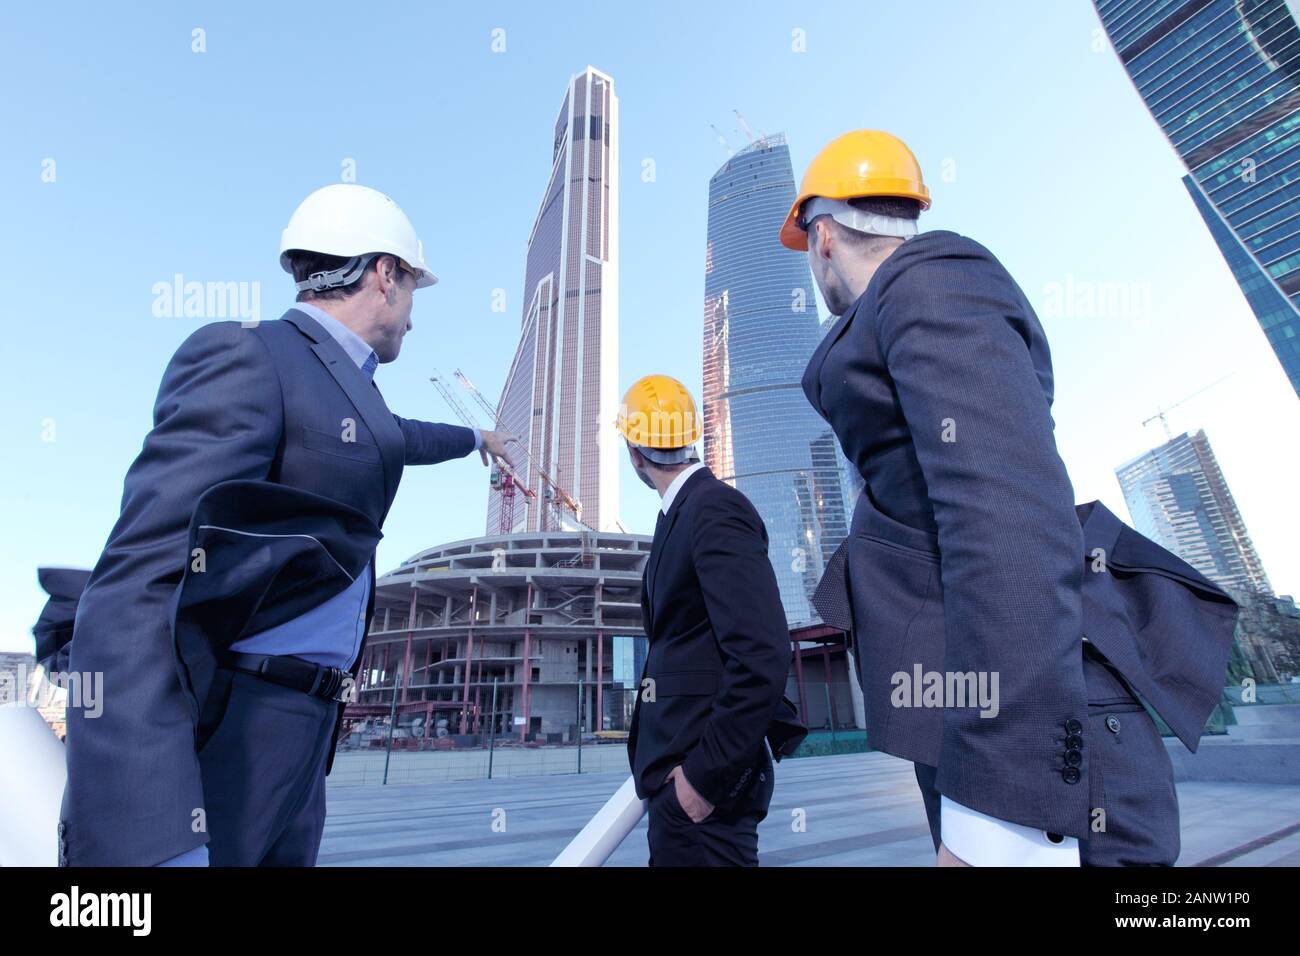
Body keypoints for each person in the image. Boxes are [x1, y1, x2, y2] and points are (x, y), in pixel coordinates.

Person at [790, 130, 1237, 866]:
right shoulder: (914, 301)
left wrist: (995, 818)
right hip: (986, 717)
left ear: (824, 235)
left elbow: (1009, 523)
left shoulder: (933, 279)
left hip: (1032, 744)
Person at [59, 184, 514, 866]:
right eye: (414, 290)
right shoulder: (251, 356)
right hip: (240, 729)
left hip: (308, 736)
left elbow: (397, 437)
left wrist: (477, 438)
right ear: (385, 275)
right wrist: (152, 842)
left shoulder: (346, 389)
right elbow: (136, 587)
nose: (414, 320)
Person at [619, 373, 792, 866]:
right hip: (681, 794)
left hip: (702, 800)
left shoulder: (714, 508)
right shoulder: (684, 513)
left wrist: (702, 781)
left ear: (635, 454)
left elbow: (762, 653)